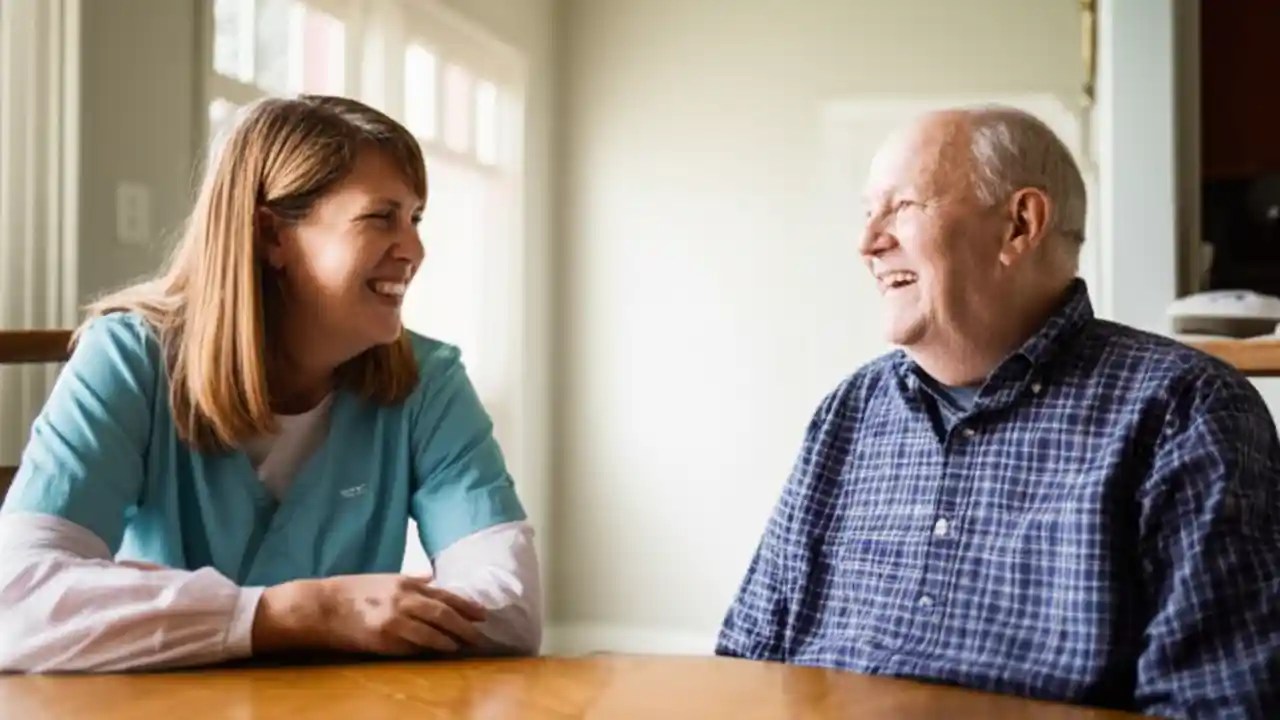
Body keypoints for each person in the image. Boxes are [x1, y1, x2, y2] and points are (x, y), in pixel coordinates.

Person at [716, 105, 1280, 718]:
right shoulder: (849, 413)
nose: (868, 242)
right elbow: (749, 659)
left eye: (903, 207)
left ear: (1019, 224)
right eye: (868, 211)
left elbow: (1217, 705)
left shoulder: (1185, 411)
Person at [0, 95, 540, 672]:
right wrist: (296, 614)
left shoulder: (428, 381)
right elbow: (18, 604)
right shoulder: (128, 359)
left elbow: (510, 606)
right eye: (381, 217)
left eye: (414, 218)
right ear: (271, 235)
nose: (414, 250)